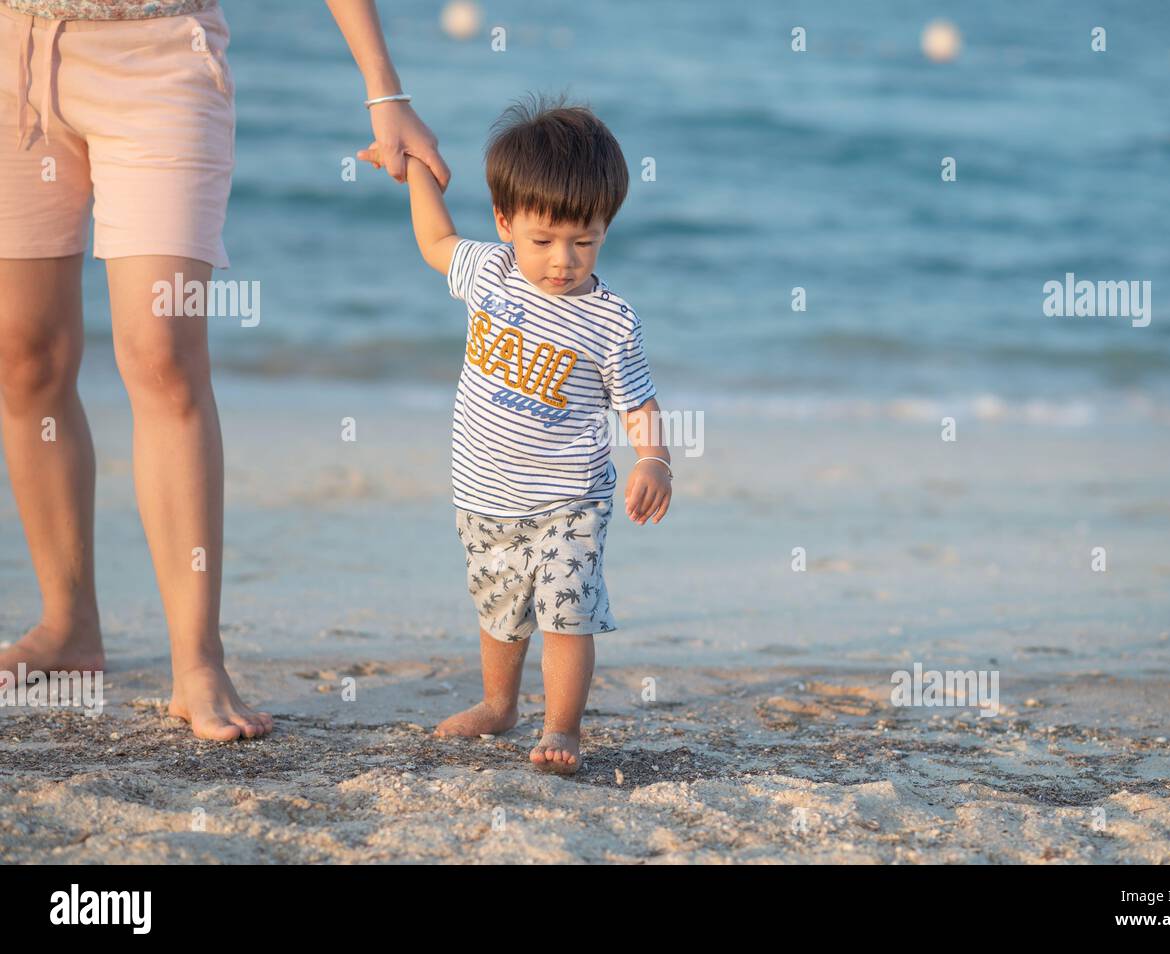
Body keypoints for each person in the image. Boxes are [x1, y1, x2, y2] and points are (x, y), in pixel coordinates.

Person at [0, 0, 449, 740]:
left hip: (159, 57)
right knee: (24, 358)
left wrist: (384, 89)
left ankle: (196, 659)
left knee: (163, 355)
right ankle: (68, 626)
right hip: (12, 51)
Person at [359, 93, 672, 774]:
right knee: (500, 609)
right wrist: (412, 163)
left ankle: (562, 728)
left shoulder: (612, 320)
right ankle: (499, 706)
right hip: (484, 493)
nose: (563, 259)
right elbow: (434, 240)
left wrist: (653, 458)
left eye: (584, 241)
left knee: (566, 610)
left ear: (605, 229)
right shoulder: (491, 273)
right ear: (505, 221)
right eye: (544, 240)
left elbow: (638, 401)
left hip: (571, 500)